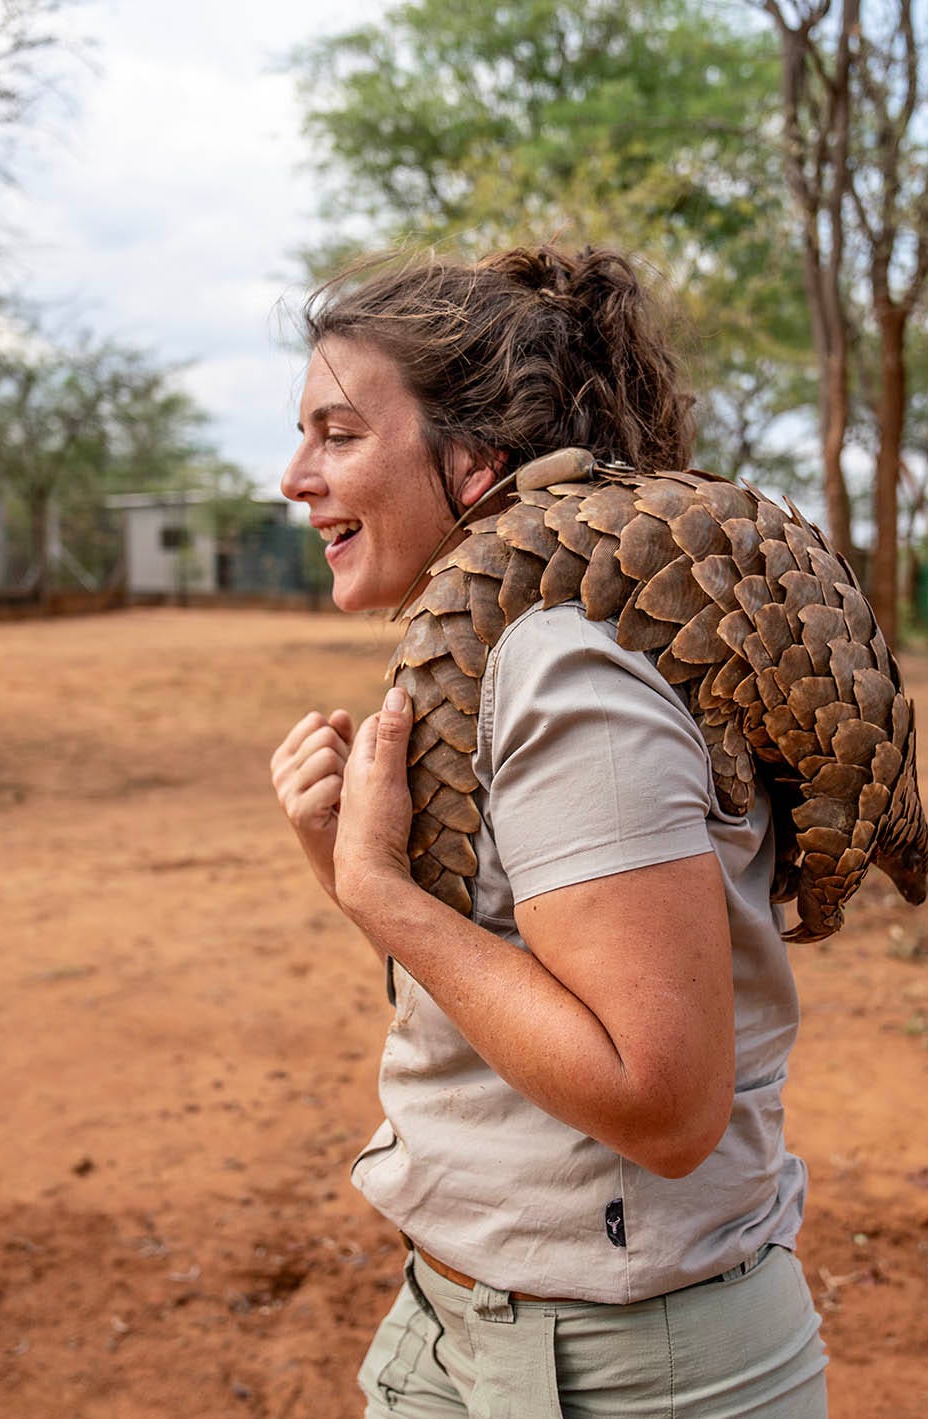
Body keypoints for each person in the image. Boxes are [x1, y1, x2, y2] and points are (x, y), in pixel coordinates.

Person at [269, 246, 827, 1418]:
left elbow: (661, 1104)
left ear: (473, 460)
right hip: (458, 1324)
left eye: (336, 433)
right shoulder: (496, 643)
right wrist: (350, 863)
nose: (292, 477)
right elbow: (513, 989)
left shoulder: (569, 664)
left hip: (620, 1369)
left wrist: (377, 891)